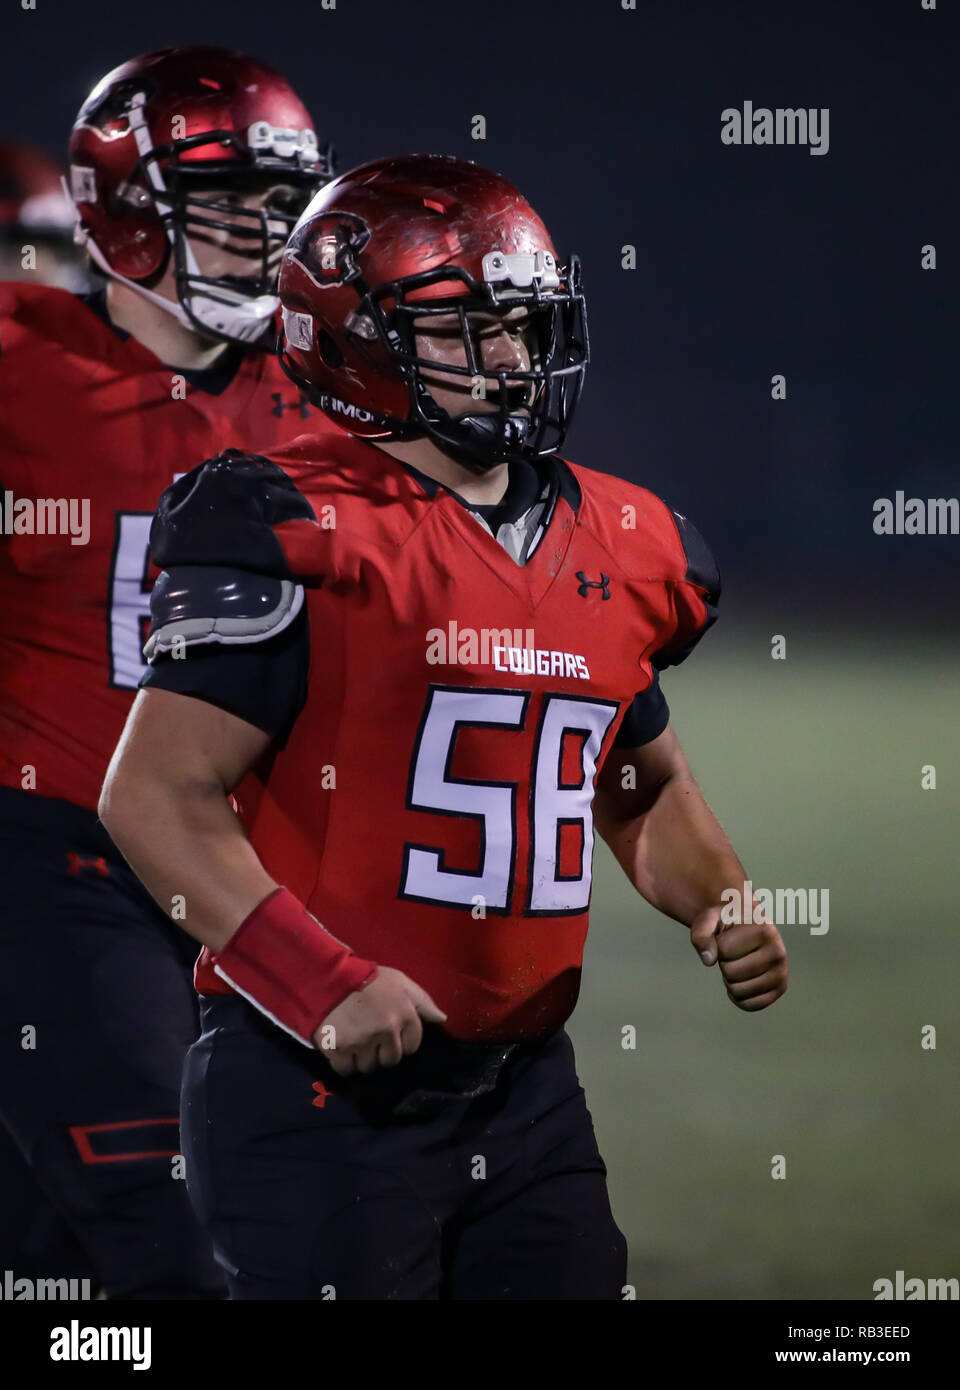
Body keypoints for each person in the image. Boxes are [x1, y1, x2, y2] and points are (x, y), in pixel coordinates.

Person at [100, 154, 788, 1300]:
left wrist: (718, 894)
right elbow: (151, 795)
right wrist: (317, 981)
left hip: (528, 1092)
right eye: (470, 325)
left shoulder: (627, 539)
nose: (514, 355)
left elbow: (635, 773)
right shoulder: (289, 518)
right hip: (314, 1090)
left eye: (523, 321)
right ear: (354, 338)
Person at [0, 44, 336, 1299]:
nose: (263, 235)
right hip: (56, 853)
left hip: (244, 869)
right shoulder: (21, 354)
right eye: (231, 205)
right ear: (125, 208)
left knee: (50, 1254)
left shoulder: (326, 390)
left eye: (277, 205)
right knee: (180, 1227)